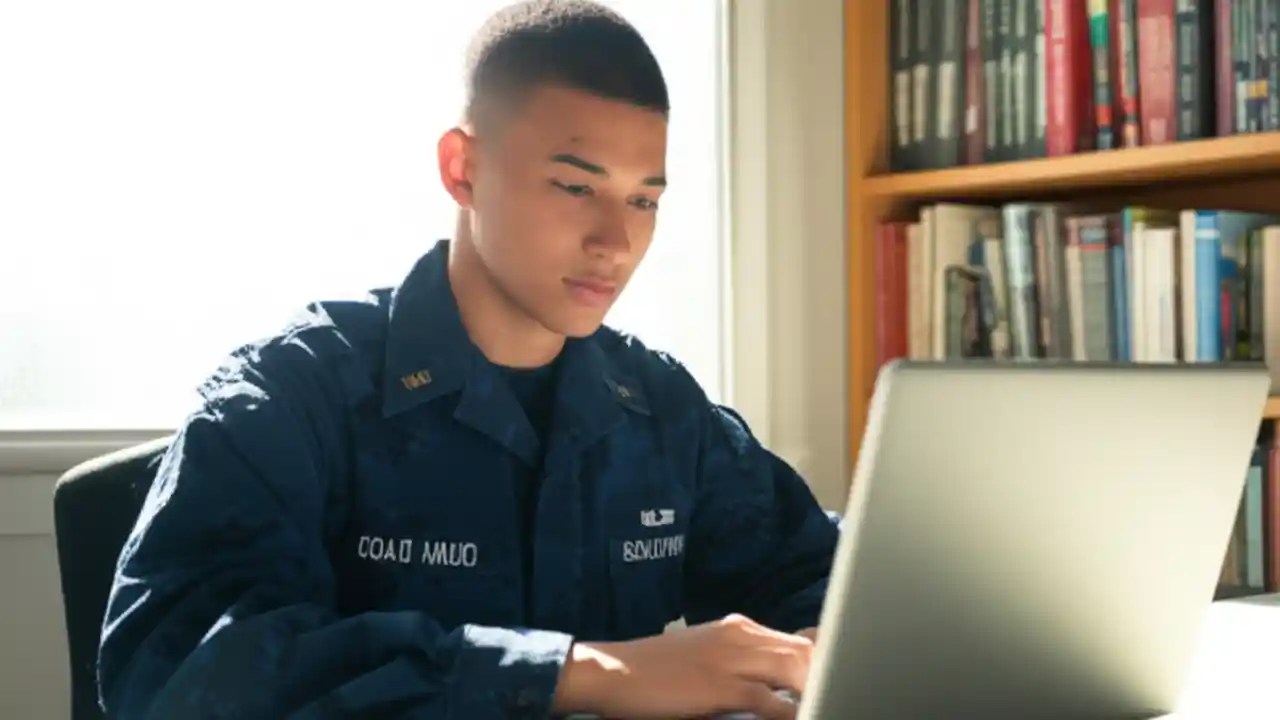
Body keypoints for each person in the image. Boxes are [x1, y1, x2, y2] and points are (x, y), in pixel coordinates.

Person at [97, 1, 840, 718]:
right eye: (576, 186)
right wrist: (578, 676)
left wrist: (820, 652)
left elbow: (825, 574)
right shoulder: (290, 397)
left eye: (643, 201)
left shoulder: (658, 411)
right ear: (462, 168)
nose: (615, 241)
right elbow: (177, 672)